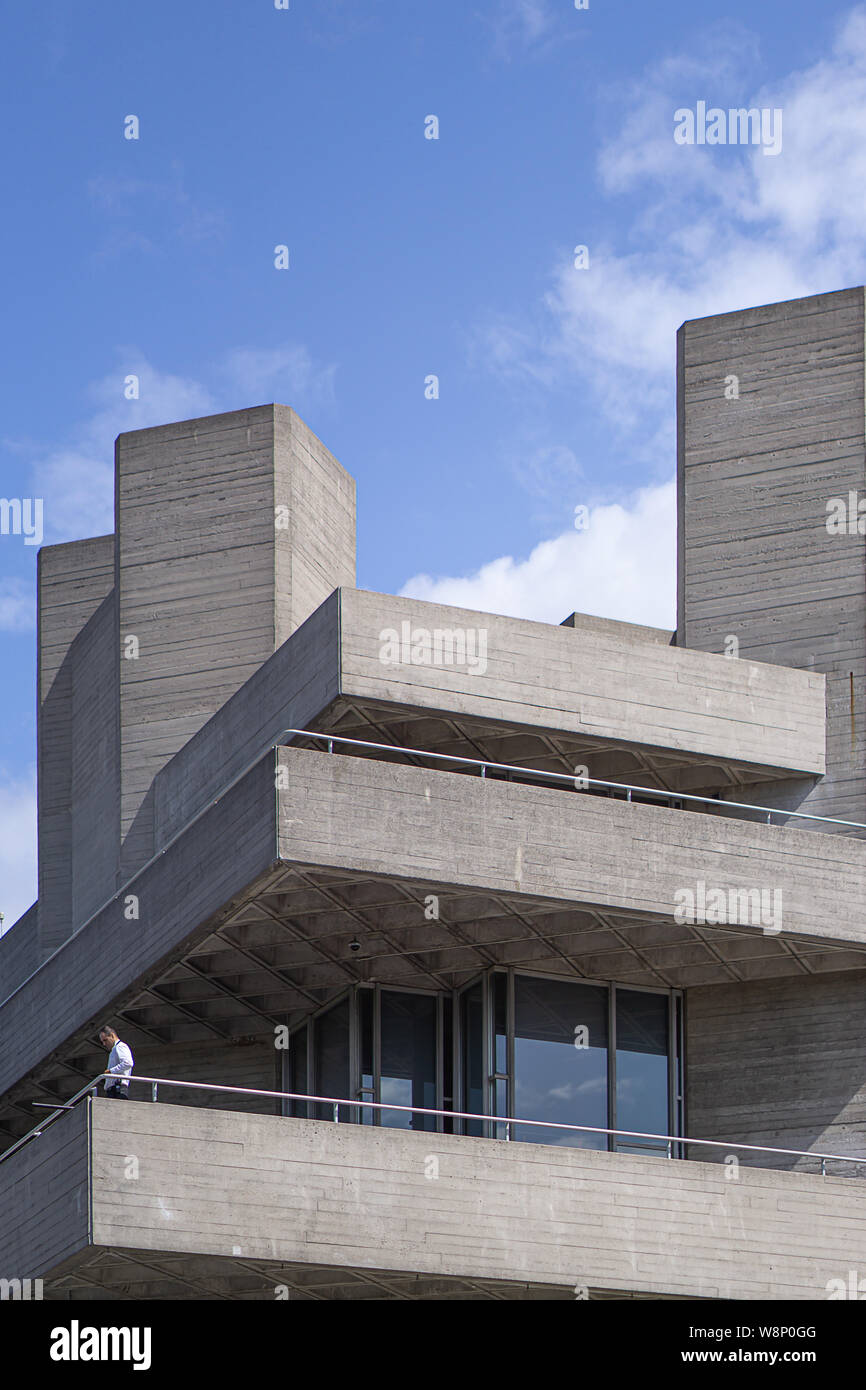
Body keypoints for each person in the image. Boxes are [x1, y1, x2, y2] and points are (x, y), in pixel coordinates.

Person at [98, 1025, 134, 1099]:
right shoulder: (115, 1049)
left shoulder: (120, 1046)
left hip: (118, 1088)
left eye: (105, 1040)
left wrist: (111, 1071)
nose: (104, 1044)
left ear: (112, 1035)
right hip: (113, 1089)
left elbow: (128, 1063)